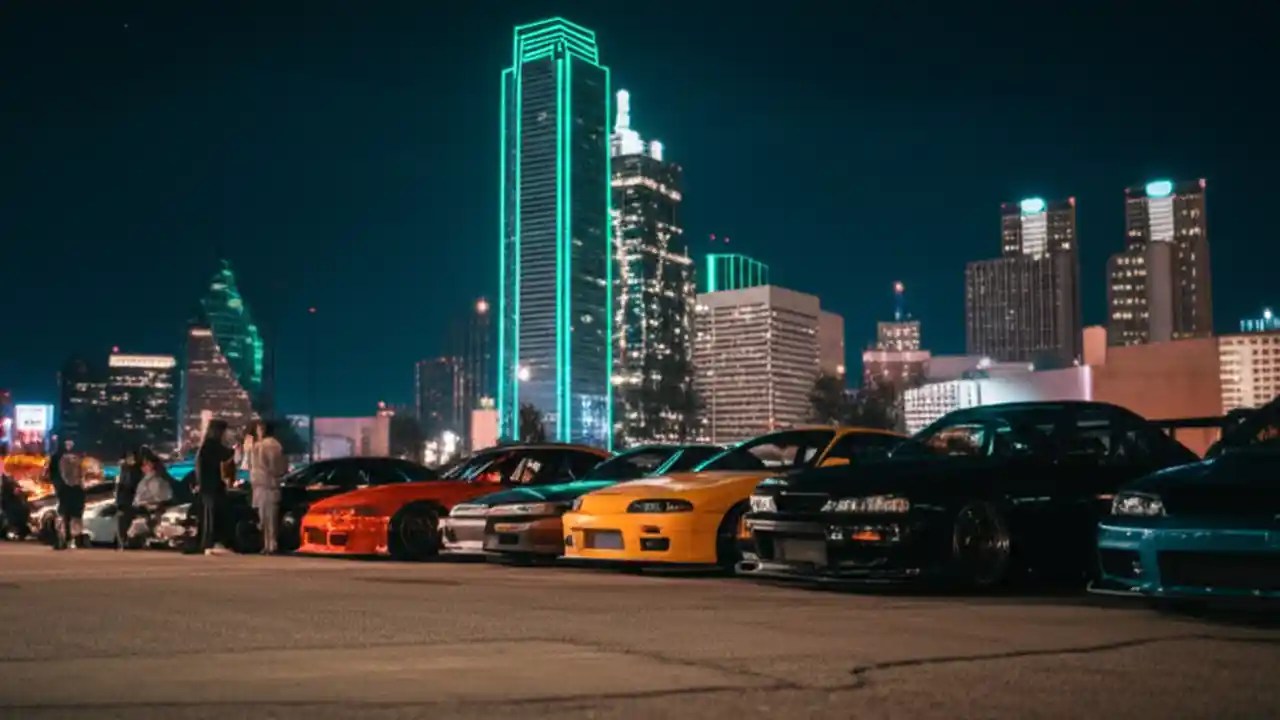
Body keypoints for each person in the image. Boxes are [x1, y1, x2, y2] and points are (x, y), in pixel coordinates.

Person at [195, 420, 234, 555]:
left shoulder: (207, 446)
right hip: (210, 487)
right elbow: (227, 454)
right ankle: (208, 542)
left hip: (211, 486)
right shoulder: (211, 445)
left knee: (212, 515)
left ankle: (210, 541)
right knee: (210, 516)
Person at [248, 420, 287, 554]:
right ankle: (268, 545)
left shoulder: (270, 445)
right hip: (262, 486)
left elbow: (275, 466)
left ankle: (271, 545)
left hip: (268, 485)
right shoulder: (260, 445)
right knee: (265, 518)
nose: (258, 431)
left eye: (260, 429)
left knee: (269, 518)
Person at [52, 438, 85, 549]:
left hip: (70, 490)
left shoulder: (74, 459)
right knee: (65, 515)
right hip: (66, 490)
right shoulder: (61, 458)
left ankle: (68, 538)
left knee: (69, 515)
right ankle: (65, 538)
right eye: (67, 444)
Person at [114, 449, 142, 550]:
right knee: (123, 523)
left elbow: (128, 485)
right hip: (124, 502)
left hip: (128, 501)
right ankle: (124, 542)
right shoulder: (124, 470)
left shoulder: (132, 470)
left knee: (126, 523)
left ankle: (126, 543)